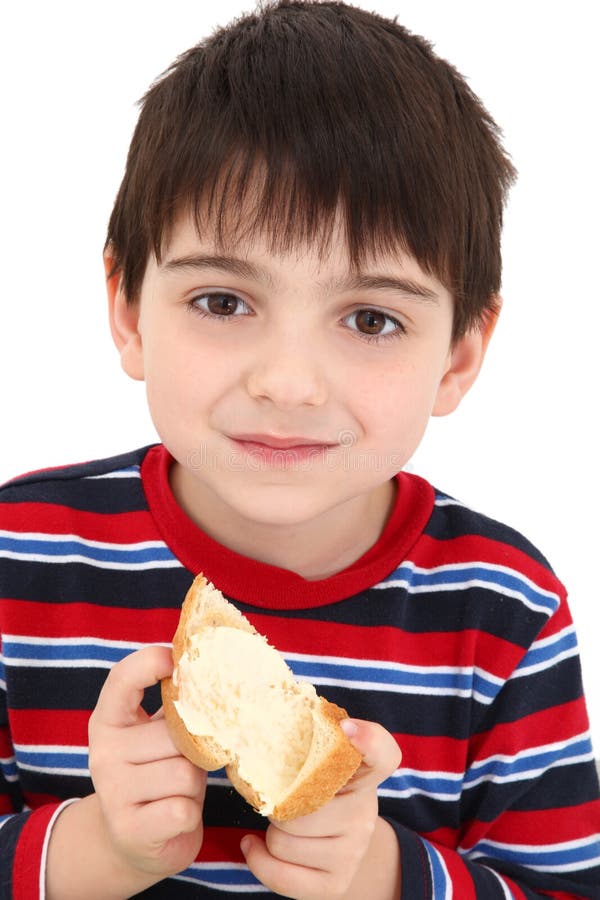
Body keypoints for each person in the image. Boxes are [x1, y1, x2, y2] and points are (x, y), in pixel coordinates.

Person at [1, 0, 599, 896]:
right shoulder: (23, 554)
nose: (288, 382)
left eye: (370, 318)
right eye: (223, 302)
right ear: (127, 310)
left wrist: (383, 873)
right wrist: (95, 849)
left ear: (460, 356)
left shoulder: (500, 610)